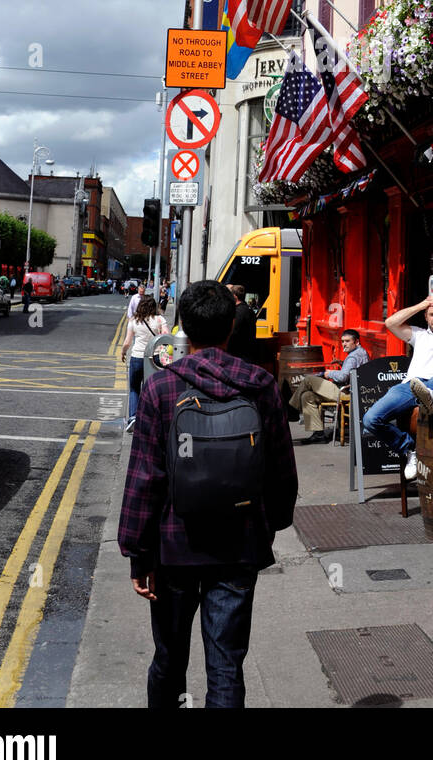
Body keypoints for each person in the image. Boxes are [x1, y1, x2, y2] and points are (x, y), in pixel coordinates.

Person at [118, 280, 298, 709]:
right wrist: (267, 527)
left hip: (172, 547)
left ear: (183, 328)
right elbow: (281, 471)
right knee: (226, 665)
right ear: (230, 327)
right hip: (239, 545)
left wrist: (138, 554)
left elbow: (145, 477)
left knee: (169, 657)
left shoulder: (161, 388)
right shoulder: (260, 386)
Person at [363, 294, 433, 481]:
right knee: (370, 419)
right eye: (431, 314)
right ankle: (408, 449)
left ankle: (430, 396)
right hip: (409, 386)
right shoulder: (418, 335)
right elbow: (390, 322)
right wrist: (422, 304)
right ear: (426, 317)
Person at [289, 329, 369, 444]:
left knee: (308, 380)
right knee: (307, 396)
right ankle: (318, 434)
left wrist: (329, 373)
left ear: (356, 342)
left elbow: (343, 377)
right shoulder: (359, 353)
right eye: (342, 341)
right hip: (351, 390)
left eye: (347, 341)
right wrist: (342, 363)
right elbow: (353, 369)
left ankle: (291, 410)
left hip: (347, 392)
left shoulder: (353, 357)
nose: (344, 344)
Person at [121, 294, 168, 432]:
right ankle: (152, 418)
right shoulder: (160, 319)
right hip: (154, 358)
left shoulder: (134, 320)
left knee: (135, 388)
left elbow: (127, 342)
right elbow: (166, 336)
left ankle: (133, 417)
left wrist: (123, 352)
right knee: (153, 389)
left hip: (137, 357)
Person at [225, 284, 258, 364]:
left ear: (235, 297)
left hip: (239, 356)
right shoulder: (249, 310)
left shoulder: (238, 312)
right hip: (248, 354)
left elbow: (233, 333)